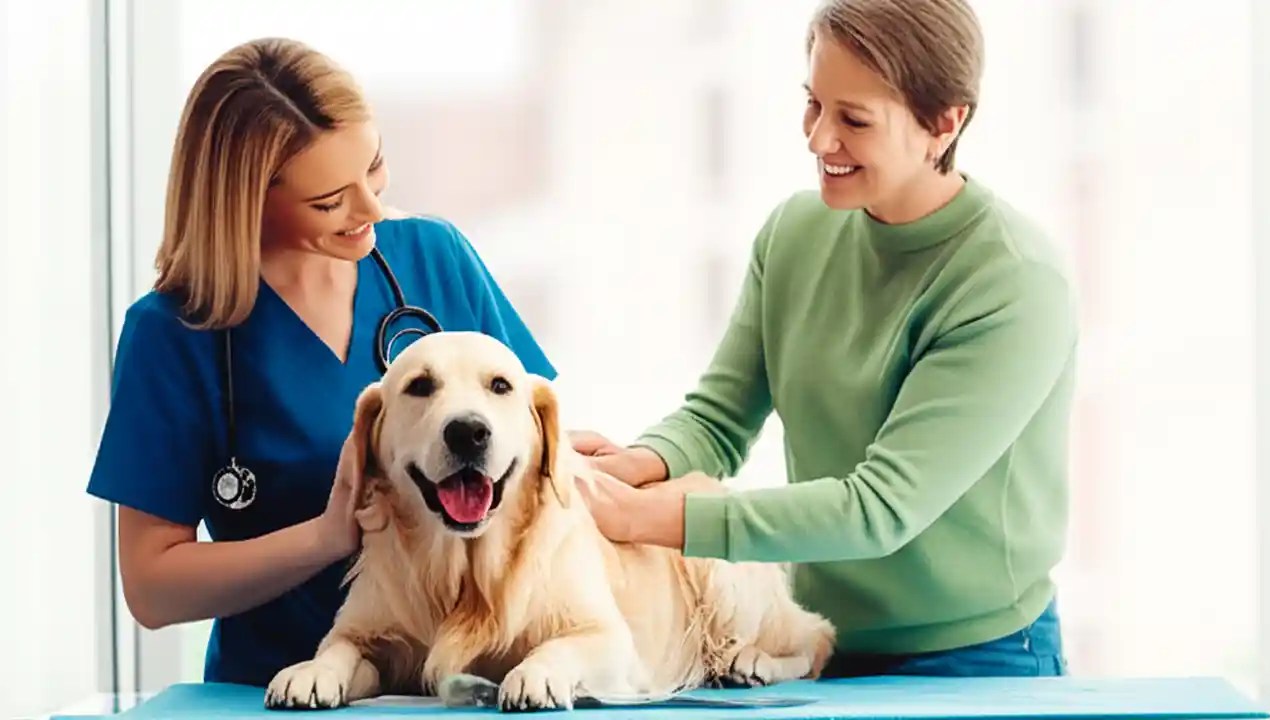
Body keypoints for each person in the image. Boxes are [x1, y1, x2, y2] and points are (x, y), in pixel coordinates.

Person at [572, 0, 1075, 678]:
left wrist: (652, 519)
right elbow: (718, 420)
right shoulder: (796, 234)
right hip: (819, 642)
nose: (817, 139)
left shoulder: (1012, 284)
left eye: (853, 120)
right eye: (813, 104)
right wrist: (633, 466)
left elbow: (880, 509)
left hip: (979, 657)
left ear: (944, 123)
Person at [86, 37, 554, 688]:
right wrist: (325, 538)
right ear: (248, 200)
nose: (370, 210)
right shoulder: (172, 335)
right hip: (274, 688)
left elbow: (536, 452)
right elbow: (153, 587)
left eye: (375, 169)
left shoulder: (433, 258)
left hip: (458, 682)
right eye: (331, 200)